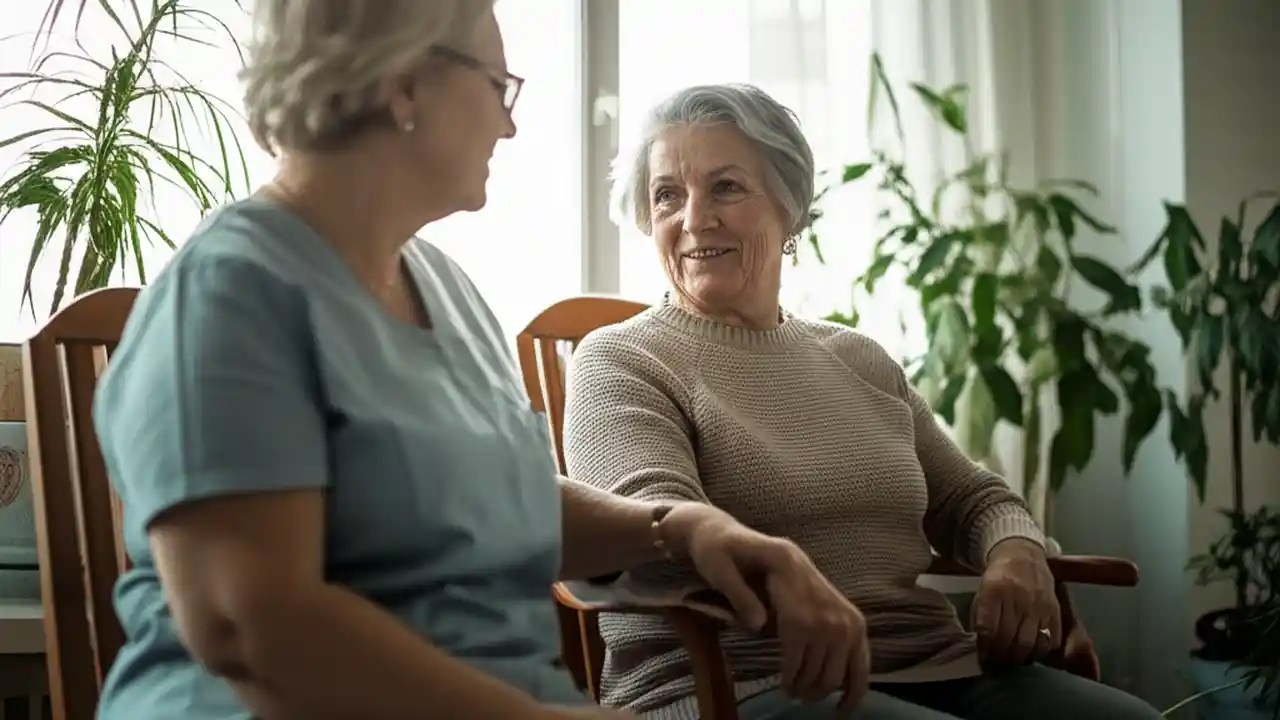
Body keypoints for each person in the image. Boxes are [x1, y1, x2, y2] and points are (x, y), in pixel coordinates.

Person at [90, 5, 872, 720]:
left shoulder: (445, 288)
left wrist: (680, 530)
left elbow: (500, 498)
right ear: (403, 86)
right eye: (499, 86)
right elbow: (251, 628)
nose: (509, 126)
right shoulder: (233, 292)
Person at [561, 83, 1164, 720]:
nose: (694, 218)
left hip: (934, 664)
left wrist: (1017, 551)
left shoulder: (858, 357)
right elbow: (658, 523)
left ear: (789, 207)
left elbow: (971, 497)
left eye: (726, 187)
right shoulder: (621, 358)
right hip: (741, 682)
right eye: (666, 196)